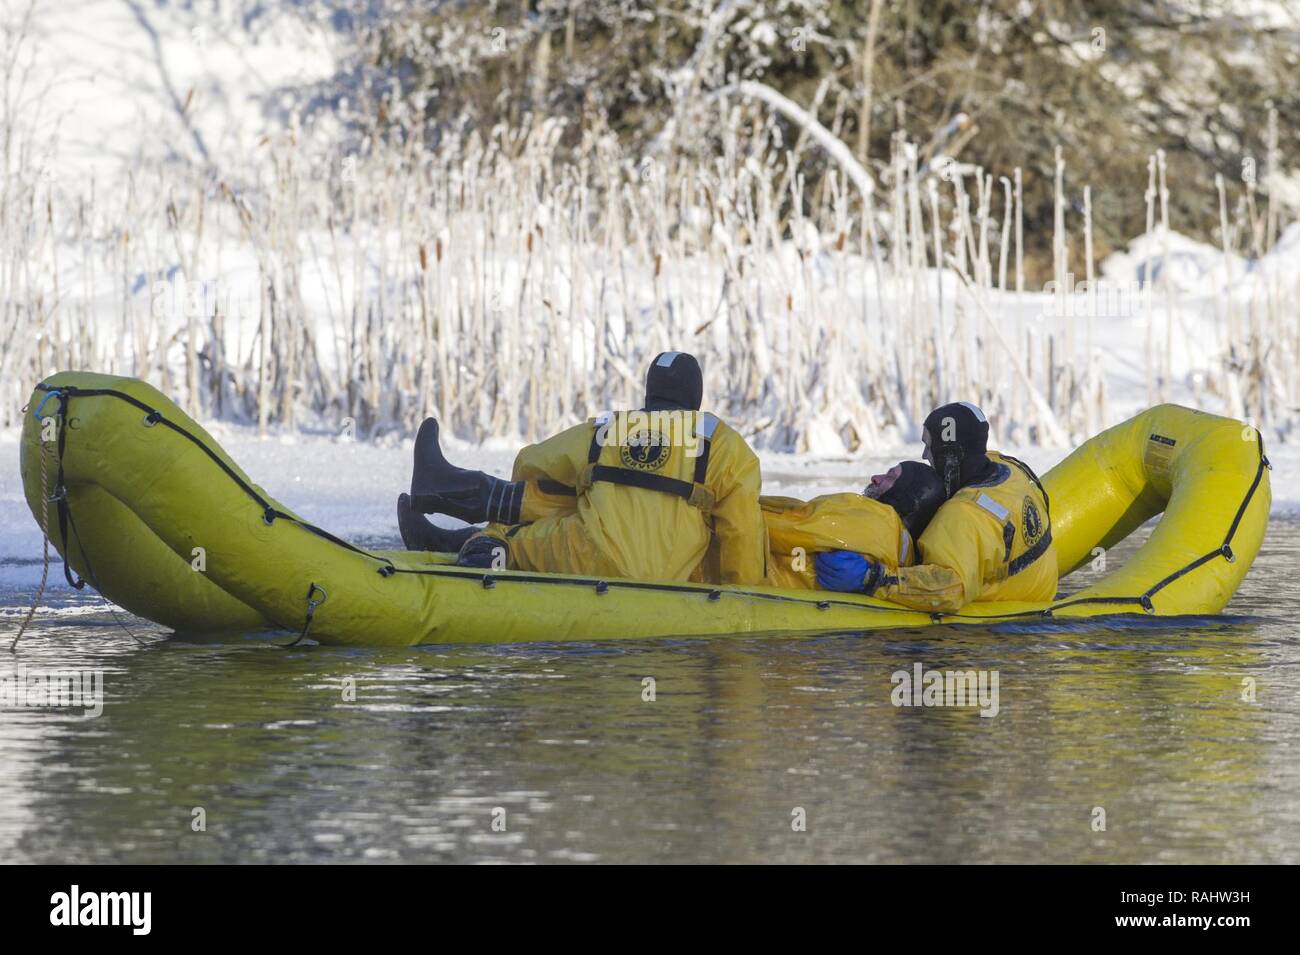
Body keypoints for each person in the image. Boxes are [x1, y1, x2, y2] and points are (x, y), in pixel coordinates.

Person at [397, 352, 768, 584]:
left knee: (539, 522)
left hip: (585, 552)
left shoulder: (609, 428)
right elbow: (742, 530)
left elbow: (531, 461)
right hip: (663, 572)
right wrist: (745, 595)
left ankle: (480, 542)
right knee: (588, 496)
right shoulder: (723, 443)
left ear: (649, 394)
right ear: (695, 397)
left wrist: (525, 514)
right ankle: (459, 536)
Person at [815, 401, 1057, 611]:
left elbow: (949, 588)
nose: (924, 455)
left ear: (950, 457)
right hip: (1043, 587)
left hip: (1007, 612)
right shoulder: (1007, 467)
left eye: (930, 447)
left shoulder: (963, 515)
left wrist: (874, 579)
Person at [762, 462, 945, 589]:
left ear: (908, 496)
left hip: (758, 579)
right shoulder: (904, 551)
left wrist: (737, 510)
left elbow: (794, 529)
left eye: (890, 477)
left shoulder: (881, 520)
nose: (875, 478)